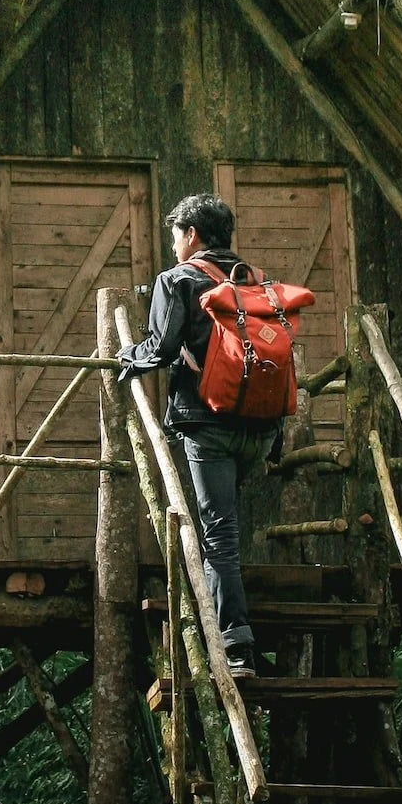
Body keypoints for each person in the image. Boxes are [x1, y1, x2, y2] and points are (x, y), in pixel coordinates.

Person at [116, 193, 280, 676]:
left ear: (191, 235)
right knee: (227, 528)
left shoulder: (179, 280)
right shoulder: (255, 284)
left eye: (174, 236)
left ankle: (234, 649)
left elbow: (160, 348)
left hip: (208, 430)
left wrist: (127, 356)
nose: (172, 246)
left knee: (219, 537)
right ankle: (242, 634)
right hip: (261, 433)